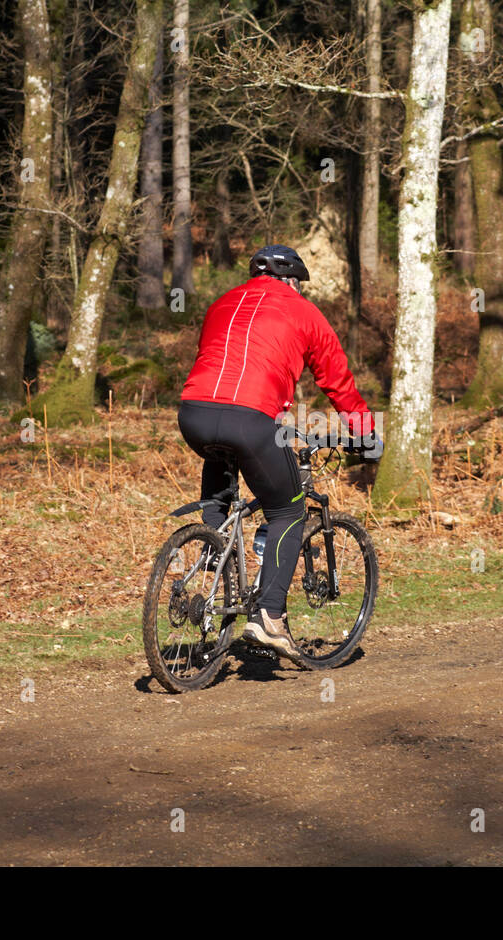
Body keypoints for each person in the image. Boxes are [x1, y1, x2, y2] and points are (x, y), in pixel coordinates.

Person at [178, 244, 380, 659]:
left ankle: (215, 542)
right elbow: (337, 381)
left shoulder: (220, 304)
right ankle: (269, 618)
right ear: (293, 281)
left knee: (221, 455)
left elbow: (217, 359)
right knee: (287, 510)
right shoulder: (304, 311)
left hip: (194, 413)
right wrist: (365, 436)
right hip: (251, 419)